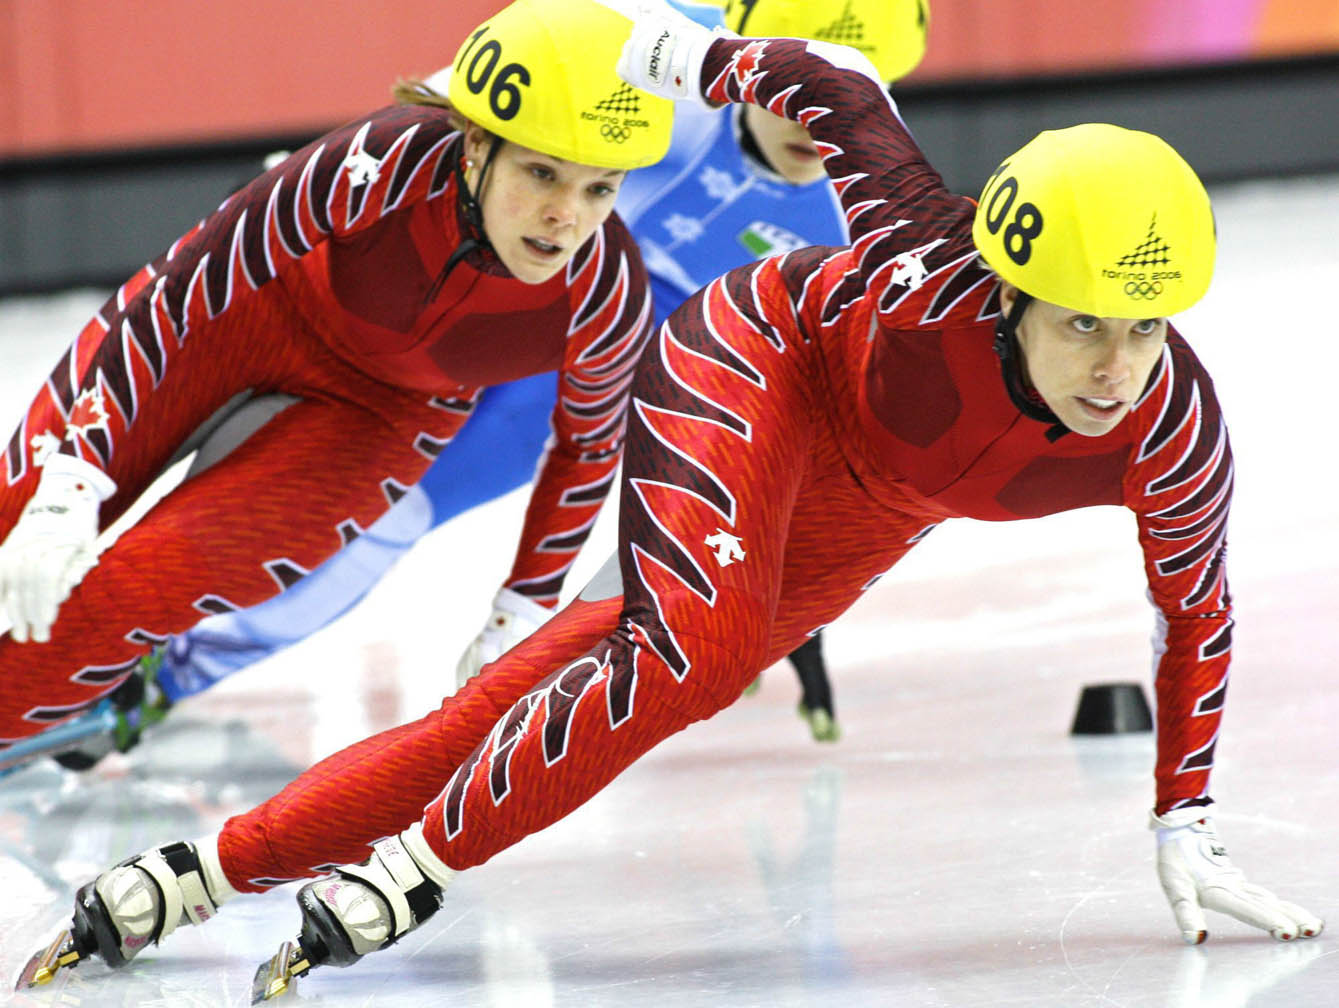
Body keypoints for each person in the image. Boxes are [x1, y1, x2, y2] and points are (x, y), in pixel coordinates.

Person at [19, 2, 1323, 997]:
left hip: (786, 457)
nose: (1114, 369)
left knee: (558, 672)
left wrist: (1182, 812)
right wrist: (642, 51)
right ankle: (402, 869)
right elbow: (817, 83)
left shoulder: (1167, 428)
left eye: (1145, 332)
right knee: (681, 657)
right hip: (751, 359)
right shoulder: (917, 255)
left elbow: (1190, 613)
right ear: (1007, 290)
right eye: (1085, 326)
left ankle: (206, 869)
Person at [2, 0, 931, 769]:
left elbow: (753, 419)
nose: (822, 132)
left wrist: (536, 611)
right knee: (49, 488)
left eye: (853, 105)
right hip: (402, 285)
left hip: (549, 372)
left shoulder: (854, 222)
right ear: (743, 58)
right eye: (797, 100)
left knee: (375, 530)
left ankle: (160, 683)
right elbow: (477, 95)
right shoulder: (653, 47)